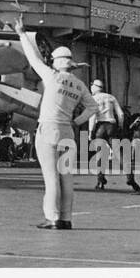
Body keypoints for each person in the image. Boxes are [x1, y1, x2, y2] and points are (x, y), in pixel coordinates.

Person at [19, 28, 98, 230]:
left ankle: (53, 218)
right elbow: (93, 107)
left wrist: (21, 34)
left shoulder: (52, 77)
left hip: (49, 130)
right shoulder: (79, 85)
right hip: (68, 133)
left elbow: (34, 59)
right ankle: (66, 218)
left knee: (51, 177)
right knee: (66, 177)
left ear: (56, 62)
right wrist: (77, 121)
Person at [88, 79, 125, 190]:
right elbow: (121, 114)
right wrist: (120, 126)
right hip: (111, 124)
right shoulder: (111, 97)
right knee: (119, 153)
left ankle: (100, 181)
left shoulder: (93, 99)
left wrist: (91, 132)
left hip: (100, 126)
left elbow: (92, 117)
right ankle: (130, 177)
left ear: (94, 87)